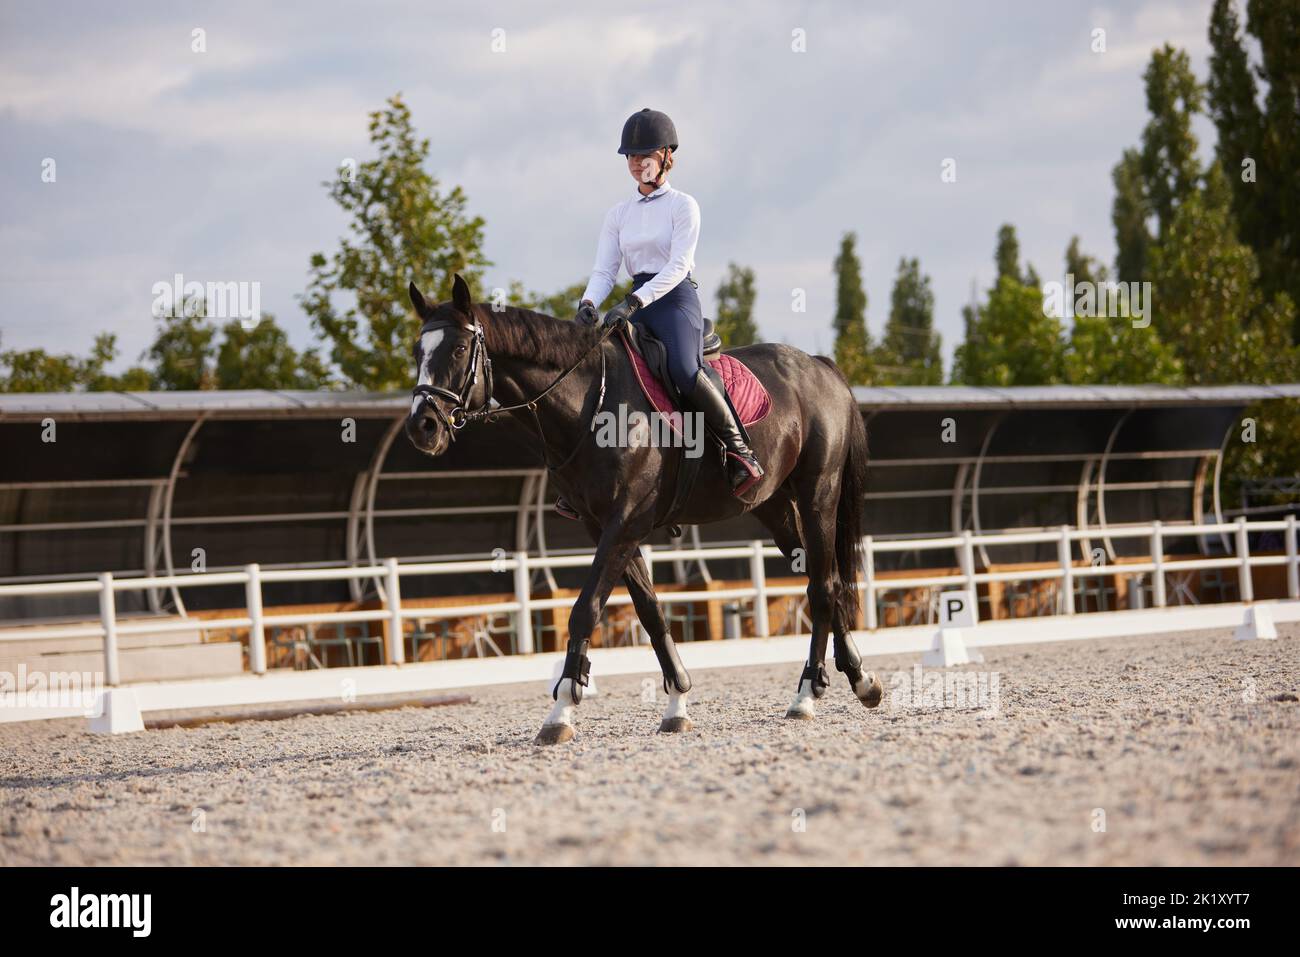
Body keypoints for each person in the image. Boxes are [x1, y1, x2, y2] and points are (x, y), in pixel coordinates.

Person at [555, 108, 763, 521]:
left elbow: (676, 267)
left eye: (644, 154)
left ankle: (740, 452)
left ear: (667, 155)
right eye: (630, 156)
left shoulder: (684, 207)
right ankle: (588, 477)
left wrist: (634, 303)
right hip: (636, 301)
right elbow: (604, 270)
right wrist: (589, 304)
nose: (635, 162)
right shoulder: (619, 214)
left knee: (685, 371)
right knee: (599, 372)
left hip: (674, 300)